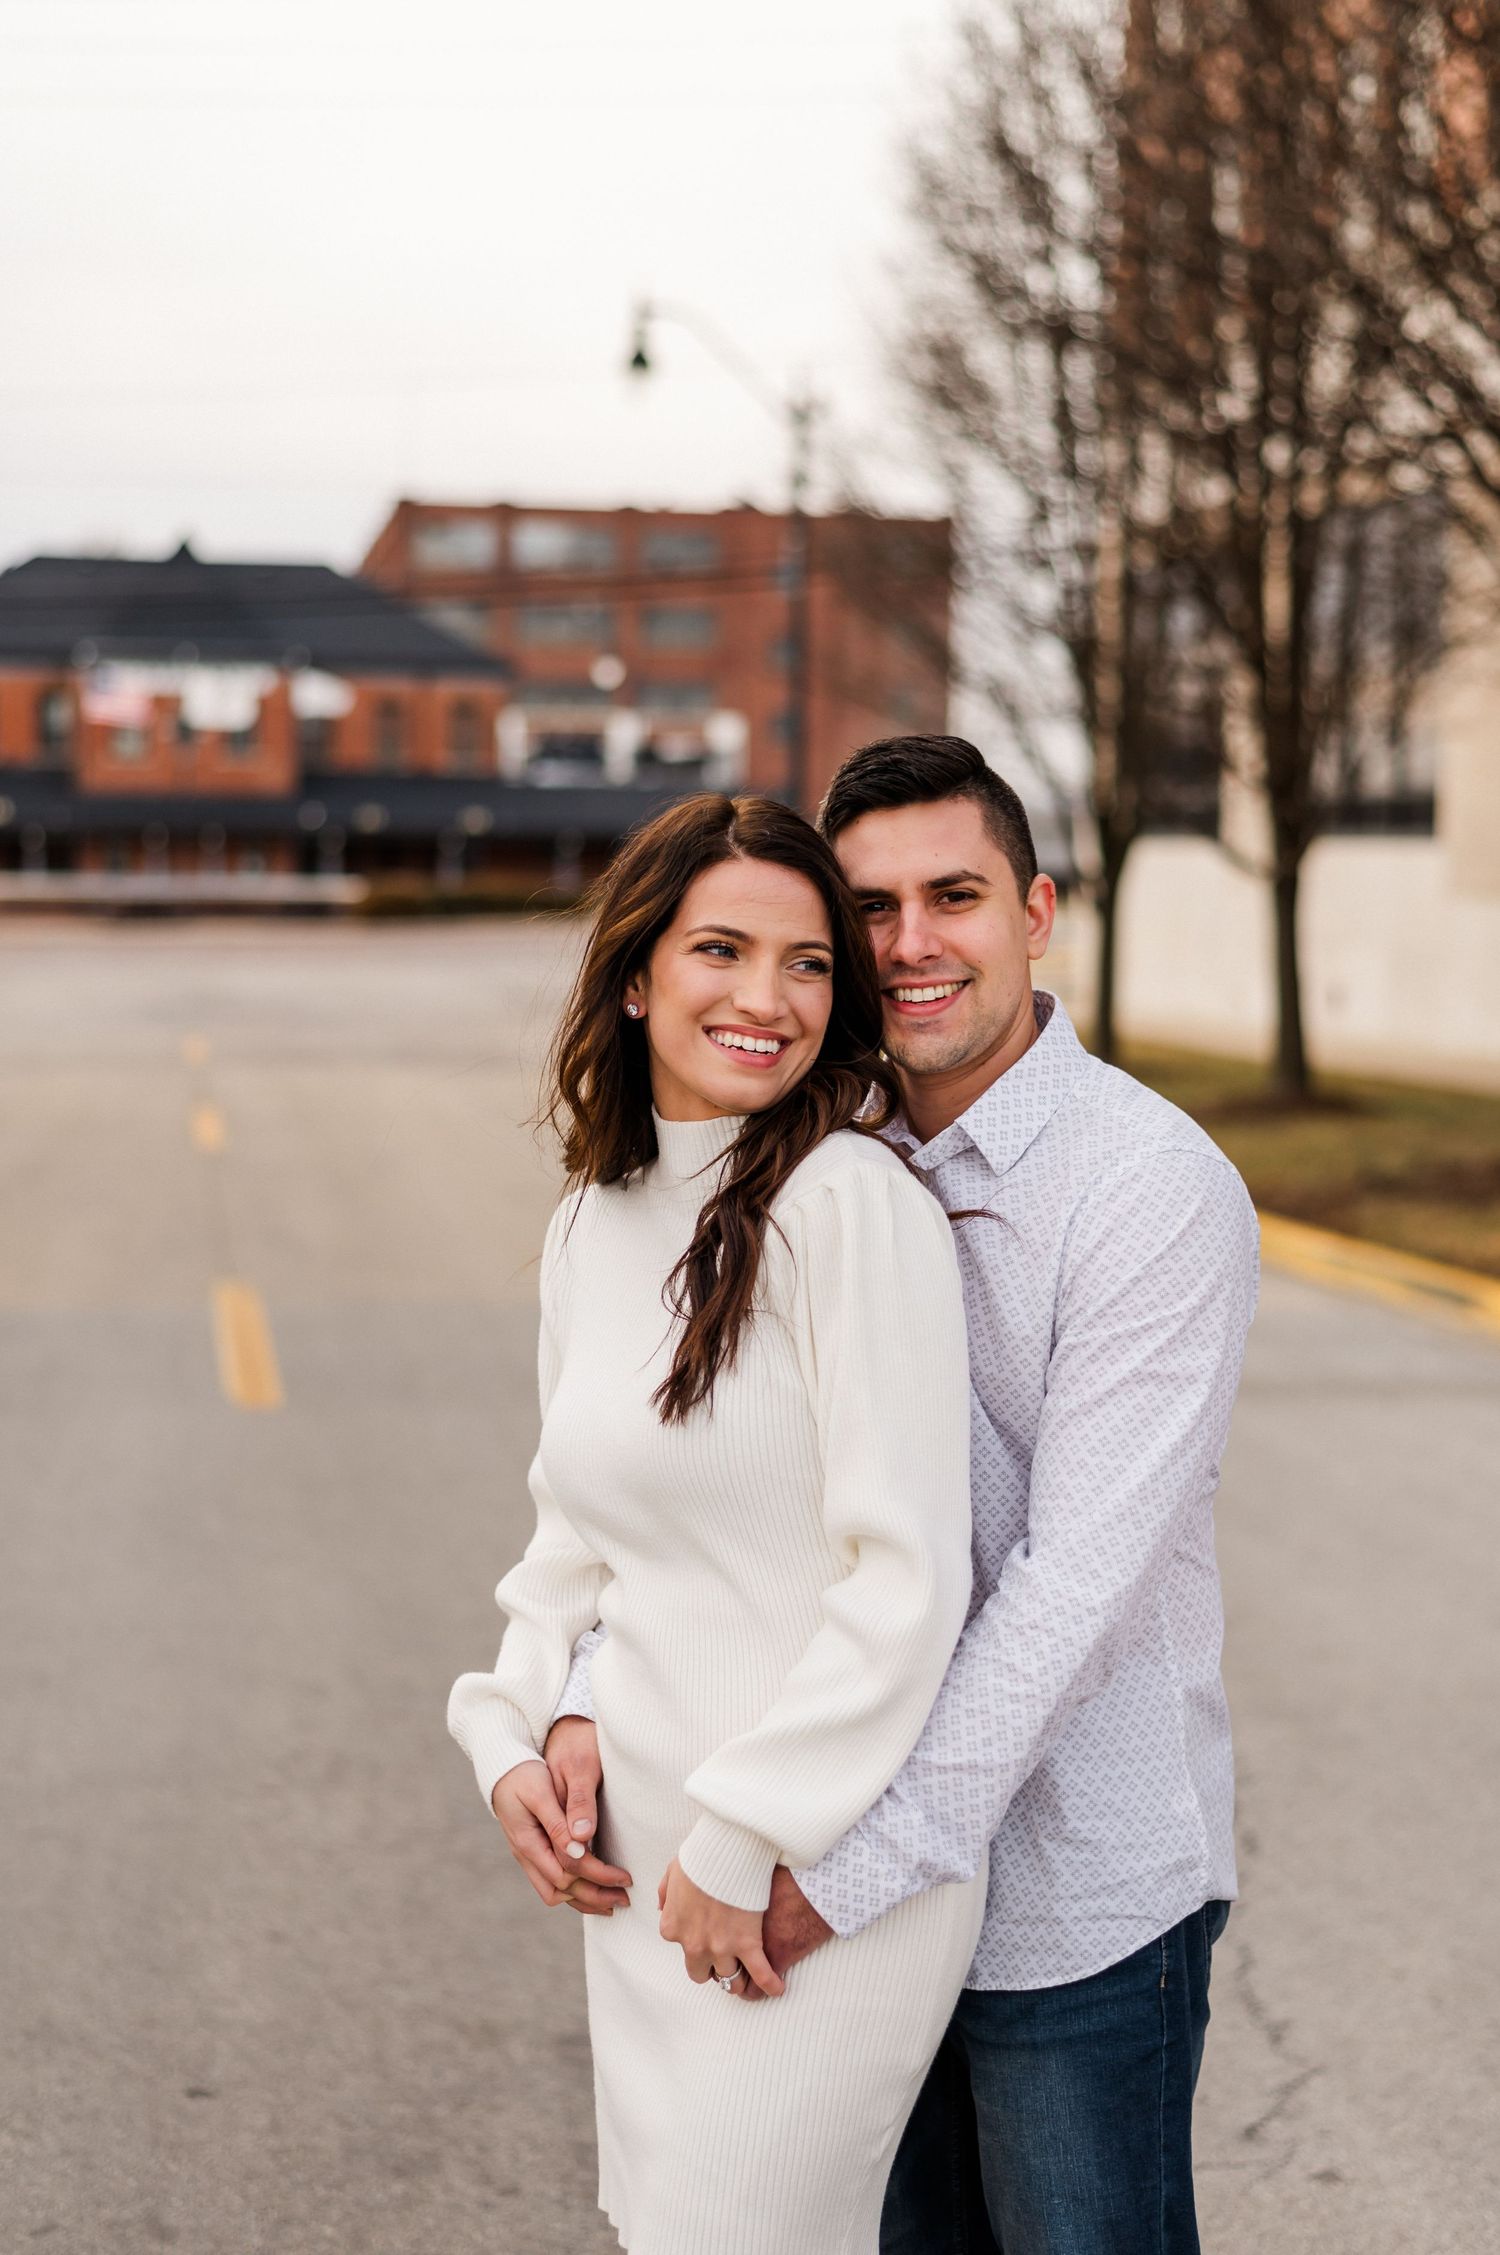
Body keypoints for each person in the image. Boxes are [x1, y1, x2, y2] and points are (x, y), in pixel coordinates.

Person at [541, 737, 1261, 2255]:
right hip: (841, 1885)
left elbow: (1069, 1588)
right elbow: (694, 1497)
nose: (912, 943)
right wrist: (585, 1686)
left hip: (1060, 1889)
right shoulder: (811, 1157)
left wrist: (841, 1874)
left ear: (1037, 911)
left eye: (958, 896)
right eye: (870, 908)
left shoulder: (1148, 1185)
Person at [447, 792, 988, 2255]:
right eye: (722, 951)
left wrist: (745, 1838)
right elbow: (573, 1547)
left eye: (811, 963)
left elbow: (907, 1576)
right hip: (644, 1862)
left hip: (800, 1872)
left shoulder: (850, 1205)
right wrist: (512, 1732)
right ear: (635, 974)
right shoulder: (594, 1221)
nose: (768, 1000)